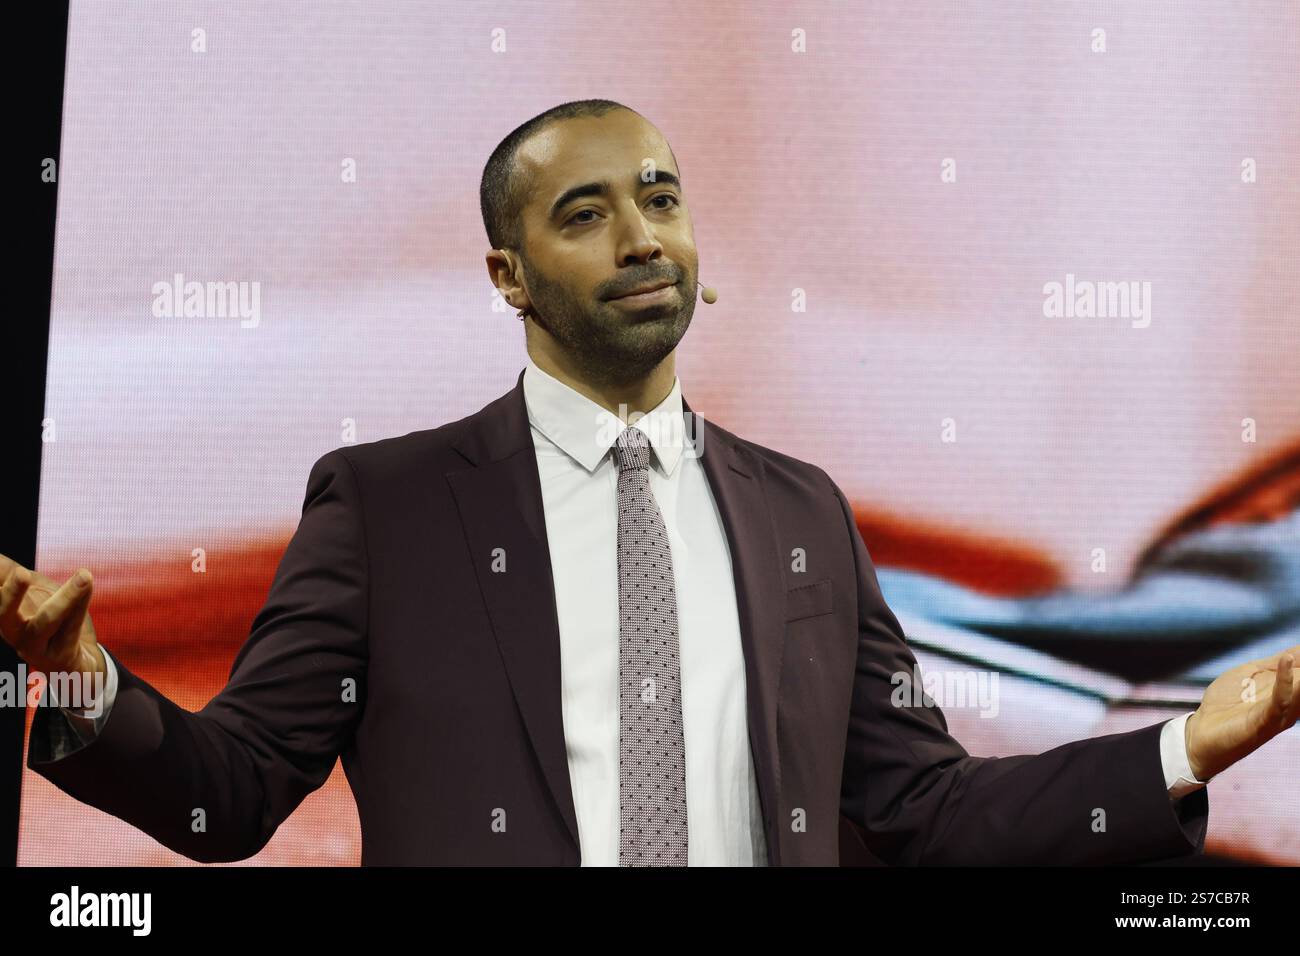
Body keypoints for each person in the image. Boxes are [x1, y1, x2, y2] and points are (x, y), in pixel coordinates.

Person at [3, 100, 1296, 866]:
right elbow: (226, 797)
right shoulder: (386, 507)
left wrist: (1189, 745)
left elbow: (925, 808)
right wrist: (79, 678)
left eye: (662, 200)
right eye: (585, 214)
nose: (641, 238)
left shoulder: (801, 510)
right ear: (508, 274)